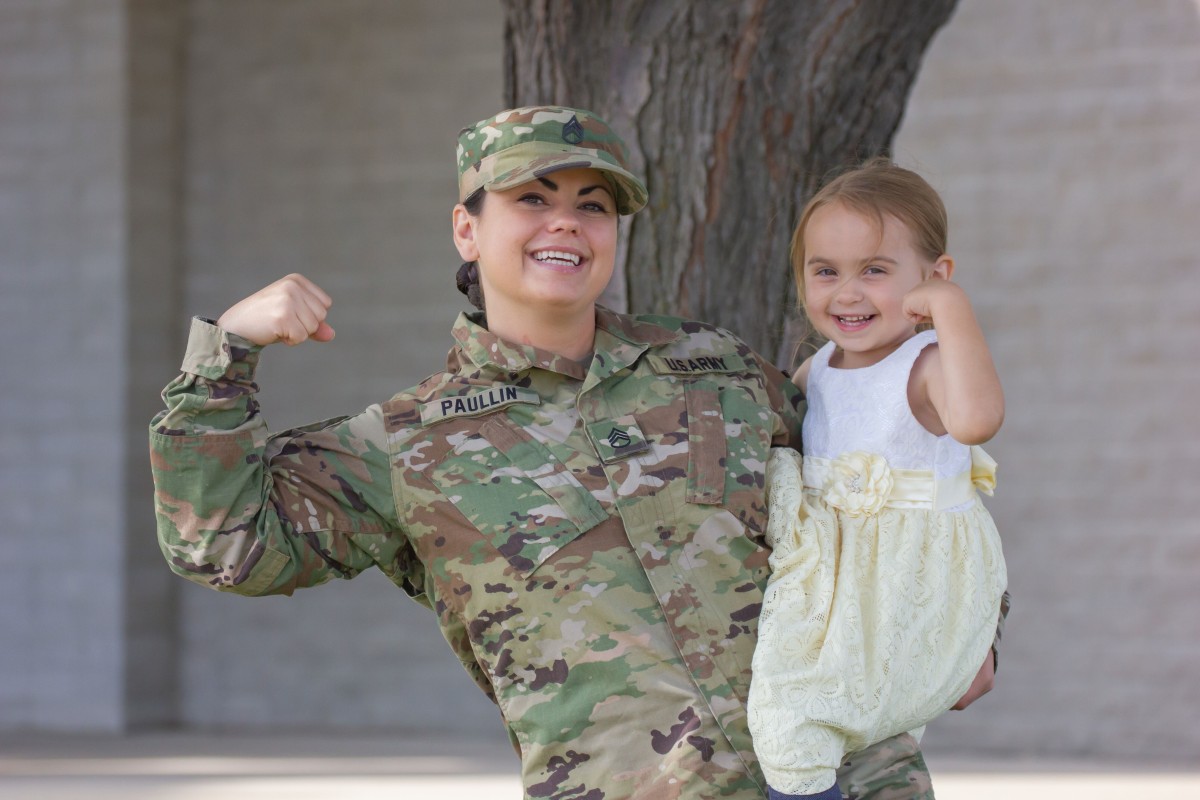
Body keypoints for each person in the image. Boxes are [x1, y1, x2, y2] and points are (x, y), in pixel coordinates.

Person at [150, 106, 983, 799]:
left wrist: (975, 624)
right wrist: (226, 351)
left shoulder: (716, 365)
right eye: (531, 198)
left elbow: (886, 475)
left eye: (592, 204)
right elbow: (222, 543)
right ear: (466, 230)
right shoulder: (410, 443)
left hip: (853, 774)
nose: (566, 222)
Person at [746, 159, 1010, 799]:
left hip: (902, 580)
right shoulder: (819, 371)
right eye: (825, 271)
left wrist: (951, 311)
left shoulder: (925, 366)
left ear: (933, 277)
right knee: (795, 717)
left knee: (799, 715)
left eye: (875, 270)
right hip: (832, 583)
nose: (848, 292)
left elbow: (977, 421)